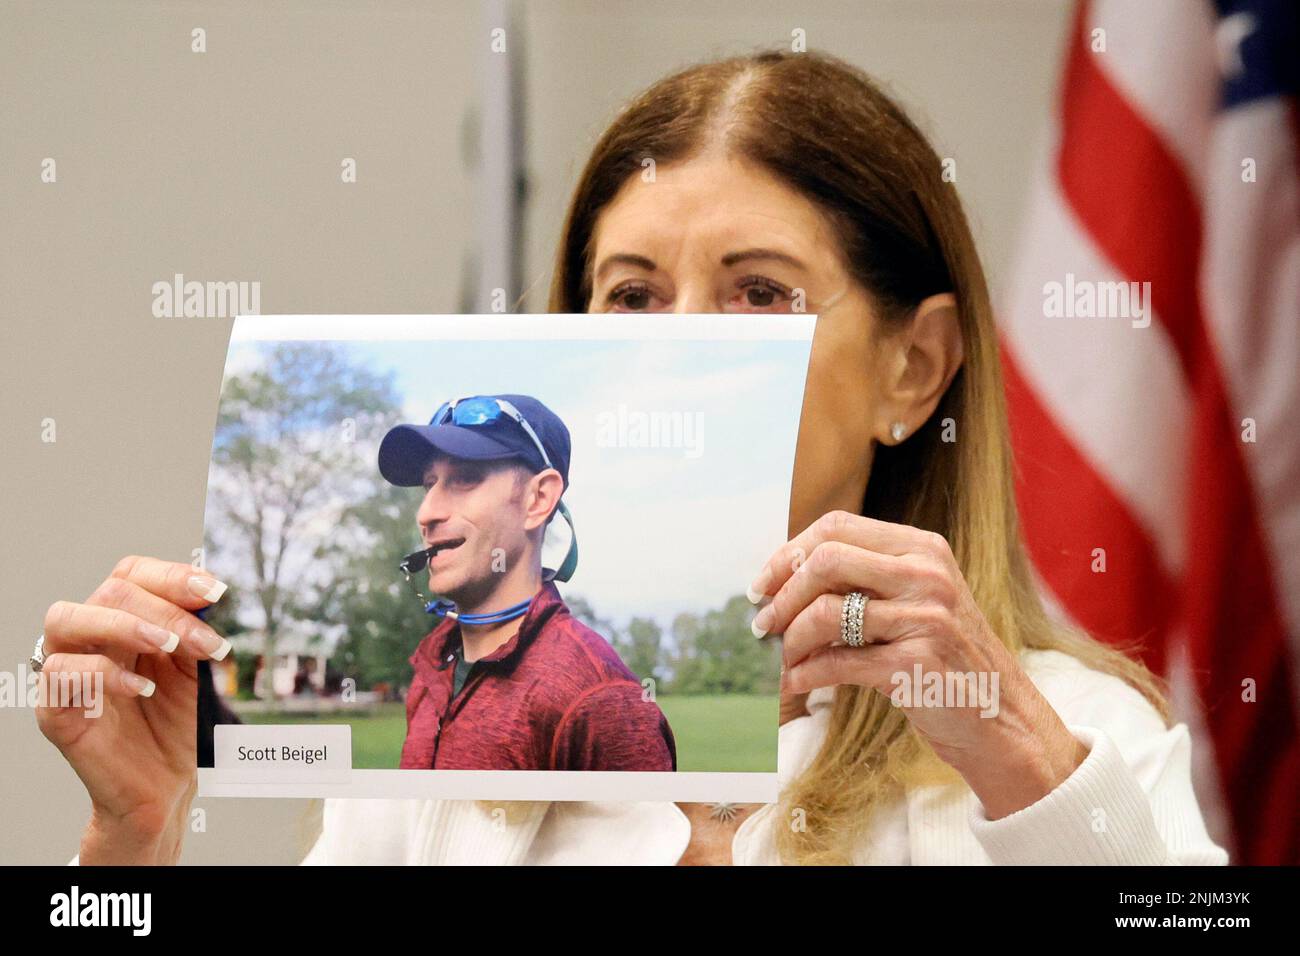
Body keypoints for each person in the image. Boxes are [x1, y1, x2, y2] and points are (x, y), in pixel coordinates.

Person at [39, 48, 1227, 865]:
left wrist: (1019, 757)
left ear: (913, 368)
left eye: (759, 292)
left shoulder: (1073, 734)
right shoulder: (434, 746)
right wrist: (130, 844)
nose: (685, 350)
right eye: (631, 297)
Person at [377, 392, 676, 771]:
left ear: (538, 499)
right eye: (429, 484)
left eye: (465, 479)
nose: (427, 512)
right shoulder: (431, 671)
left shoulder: (600, 700)